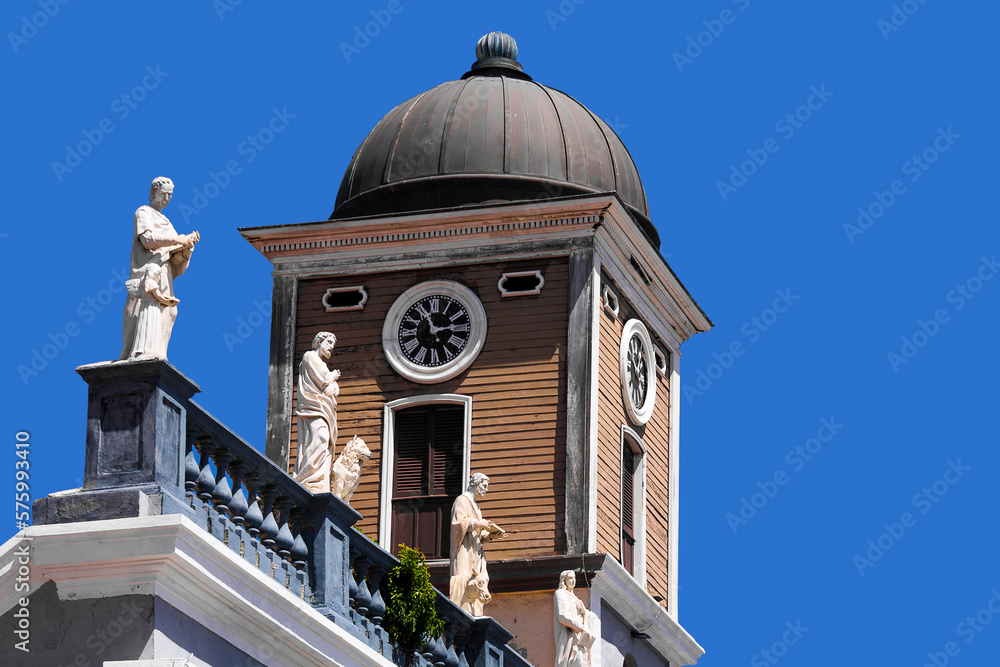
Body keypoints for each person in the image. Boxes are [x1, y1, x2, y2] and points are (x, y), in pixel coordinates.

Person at [120, 176, 200, 361]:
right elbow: (147, 240)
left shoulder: (167, 222)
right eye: (163, 194)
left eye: (170, 195)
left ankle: (159, 356)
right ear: (153, 192)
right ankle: (140, 355)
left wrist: (186, 249)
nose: (166, 198)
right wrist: (176, 239)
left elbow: (174, 260)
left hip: (164, 275)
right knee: (145, 314)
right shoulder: (144, 212)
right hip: (147, 276)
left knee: (170, 312)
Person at [449, 472, 505, 616]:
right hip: (465, 550)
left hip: (476, 552)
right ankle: (463, 608)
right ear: (475, 484)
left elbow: (478, 535)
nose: (486, 490)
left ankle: (474, 609)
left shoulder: (476, 507)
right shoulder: (462, 500)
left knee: (482, 578)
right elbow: (457, 524)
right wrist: (478, 523)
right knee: (467, 580)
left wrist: (491, 535)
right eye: (484, 486)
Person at [292, 332, 341, 493]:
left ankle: (318, 480)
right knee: (320, 438)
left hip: (323, 408)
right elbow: (324, 380)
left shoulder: (322, 364)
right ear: (319, 342)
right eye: (328, 343)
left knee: (325, 444)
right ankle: (306, 479)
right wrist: (333, 376)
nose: (331, 347)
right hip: (312, 407)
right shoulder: (309, 356)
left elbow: (331, 388)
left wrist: (333, 384)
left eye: (333, 345)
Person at [120, 264, 180, 359]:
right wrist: (168, 302)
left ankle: (140, 349)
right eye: (158, 275)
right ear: (154, 274)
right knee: (151, 327)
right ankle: (148, 349)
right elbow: (158, 296)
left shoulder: (143, 282)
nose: (159, 277)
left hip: (144, 308)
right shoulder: (152, 284)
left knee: (143, 326)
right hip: (152, 309)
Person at [554, 570, 598, 667]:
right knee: (574, 661)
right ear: (564, 580)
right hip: (570, 637)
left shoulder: (576, 599)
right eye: (570, 578)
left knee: (582, 661)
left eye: (574, 578)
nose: (573, 581)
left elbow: (589, 617)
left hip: (580, 638)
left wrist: (584, 611)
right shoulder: (560, 594)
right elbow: (563, 615)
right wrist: (581, 627)